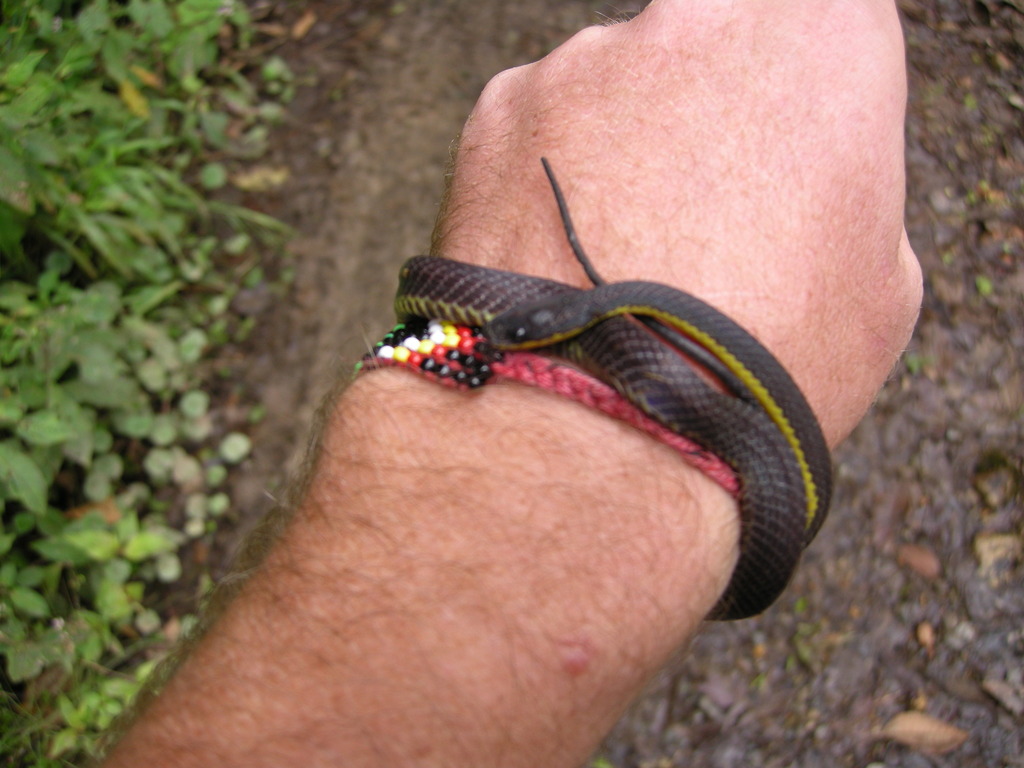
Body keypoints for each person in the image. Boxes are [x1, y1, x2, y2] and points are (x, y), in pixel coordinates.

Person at [102, 1, 922, 765]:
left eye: (519, 336)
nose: (499, 340)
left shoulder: (582, 325)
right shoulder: (504, 324)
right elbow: (469, 336)